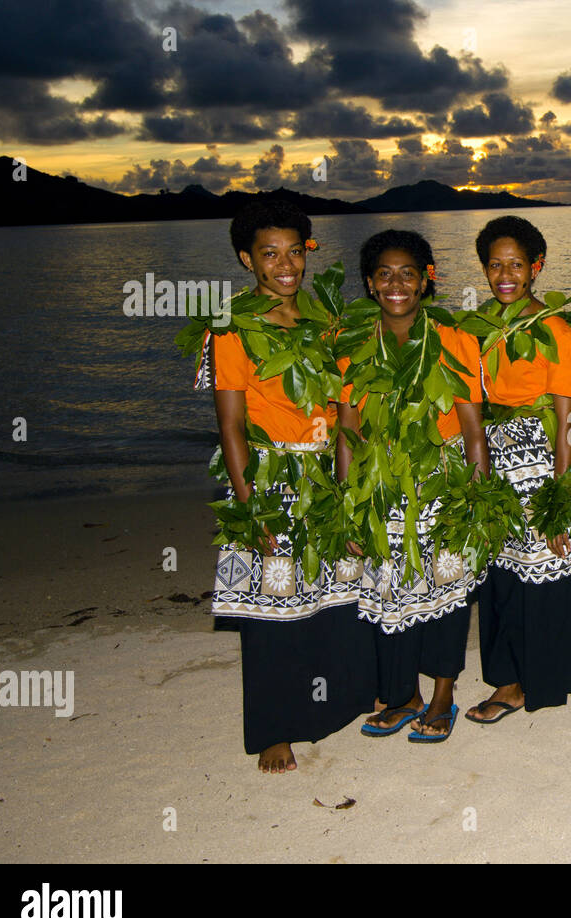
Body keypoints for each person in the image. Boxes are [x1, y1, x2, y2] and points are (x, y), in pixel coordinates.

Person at [203, 198, 376, 773]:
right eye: (269, 253)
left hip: (329, 471)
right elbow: (230, 425)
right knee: (275, 606)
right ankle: (275, 729)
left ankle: (344, 700)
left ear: (308, 253)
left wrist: (350, 490)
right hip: (271, 476)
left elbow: (348, 413)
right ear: (245, 258)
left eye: (294, 252)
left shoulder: (329, 321)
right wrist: (250, 507)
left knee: (339, 593)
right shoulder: (234, 326)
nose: (285, 265)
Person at [338, 230, 487, 743]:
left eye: (408, 272)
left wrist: (475, 497)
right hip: (381, 485)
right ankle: (404, 696)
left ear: (427, 280)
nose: (396, 283)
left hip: (442, 480)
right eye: (384, 273)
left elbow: (472, 428)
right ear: (369, 284)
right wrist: (348, 503)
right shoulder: (354, 348)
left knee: (448, 590)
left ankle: (443, 696)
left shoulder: (455, 339)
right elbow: (348, 433)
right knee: (390, 592)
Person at [462, 216, 571, 728]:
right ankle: (511, 682)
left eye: (516, 264)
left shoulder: (557, 330)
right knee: (503, 580)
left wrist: (559, 496)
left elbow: (569, 416)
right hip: (497, 461)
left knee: (556, 576)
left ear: (536, 267)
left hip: (544, 460)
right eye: (494, 264)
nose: (504, 274)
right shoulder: (480, 328)